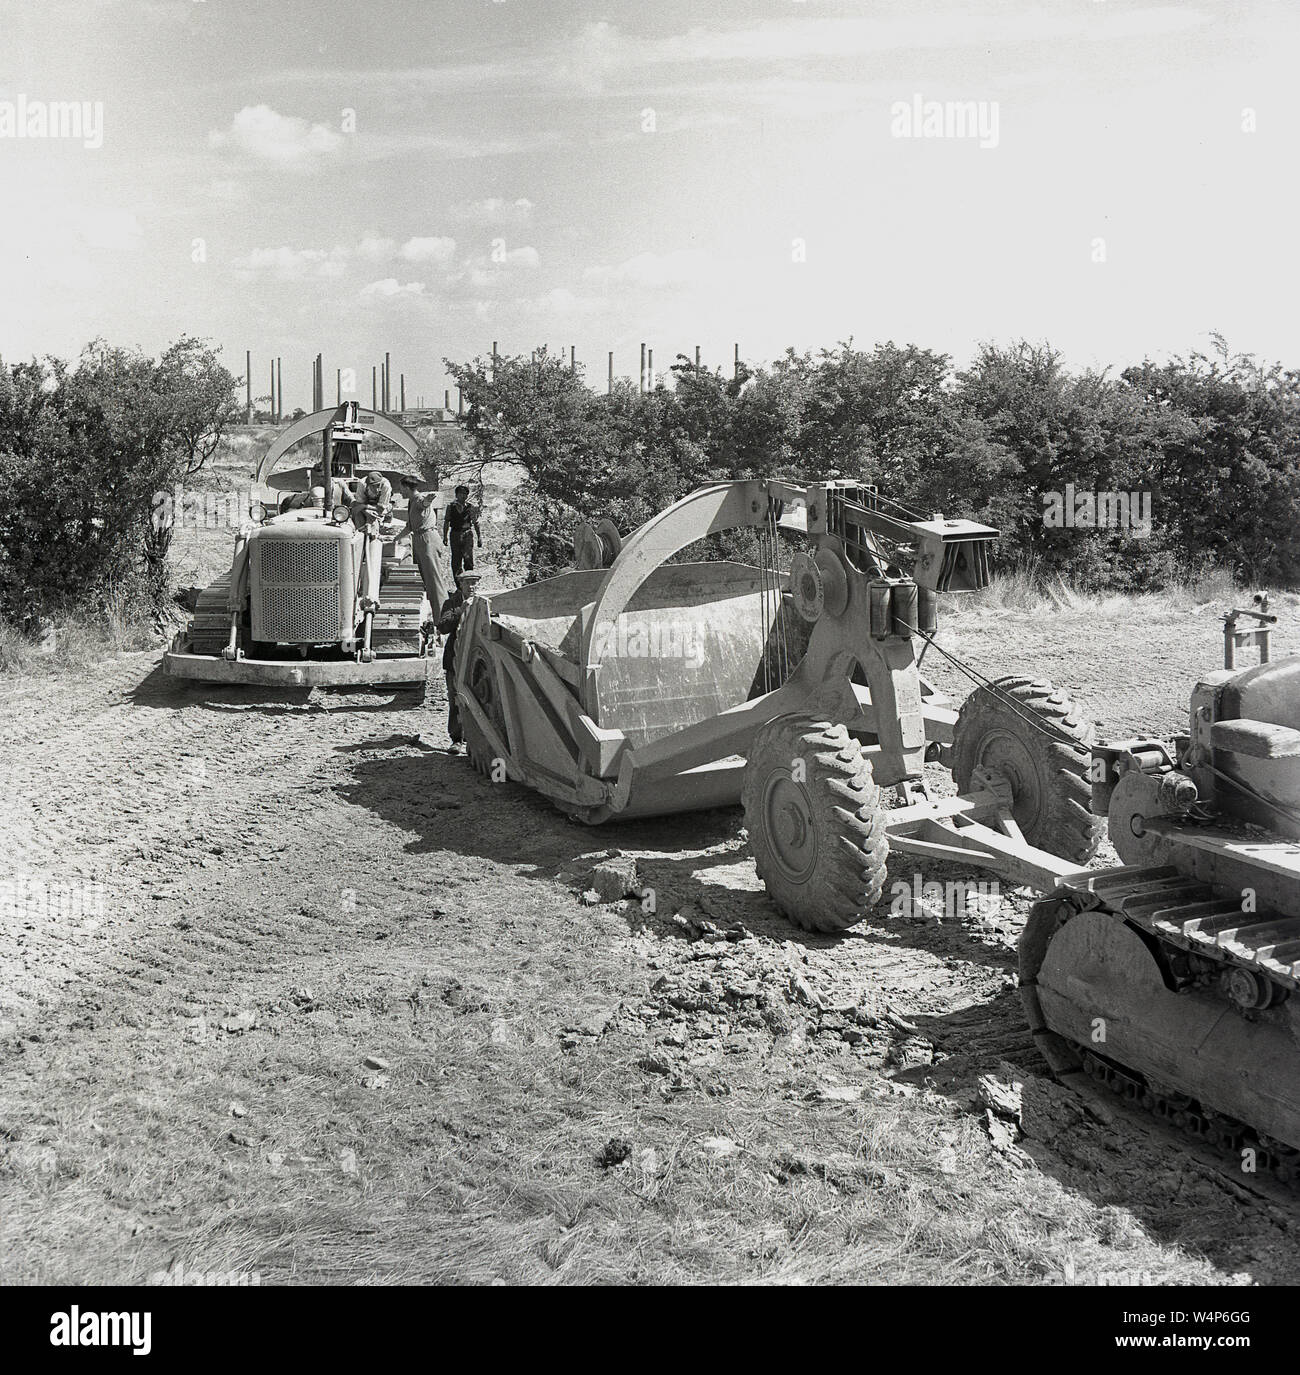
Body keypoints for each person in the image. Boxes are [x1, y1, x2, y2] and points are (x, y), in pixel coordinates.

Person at [437, 570, 481, 751]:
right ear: (460, 585)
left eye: (474, 583)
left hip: (475, 659)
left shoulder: (482, 603)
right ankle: (456, 739)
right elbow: (443, 627)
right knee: (455, 698)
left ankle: (474, 741)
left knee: (476, 699)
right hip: (455, 658)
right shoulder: (451, 603)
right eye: (468, 583)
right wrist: (459, 612)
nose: (472, 587)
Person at [396, 474, 452, 614]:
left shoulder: (419, 499)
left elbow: (424, 504)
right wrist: (394, 540)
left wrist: (428, 500)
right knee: (428, 581)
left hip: (427, 540)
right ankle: (437, 615)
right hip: (420, 540)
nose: (400, 492)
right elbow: (410, 526)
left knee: (434, 581)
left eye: (401, 488)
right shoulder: (411, 501)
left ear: (406, 487)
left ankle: (444, 618)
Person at [443, 484, 482, 579]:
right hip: (455, 534)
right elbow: (446, 522)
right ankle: (459, 587)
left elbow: (476, 523)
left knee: (468, 559)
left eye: (465, 494)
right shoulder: (451, 507)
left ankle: (469, 583)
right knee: (456, 561)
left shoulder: (470, 507)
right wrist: (445, 537)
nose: (463, 496)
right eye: (461, 494)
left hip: (467, 534)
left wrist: (479, 537)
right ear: (456, 495)